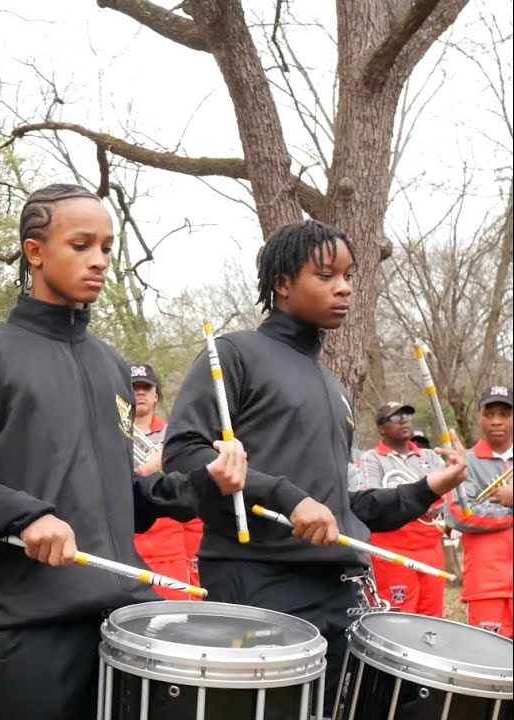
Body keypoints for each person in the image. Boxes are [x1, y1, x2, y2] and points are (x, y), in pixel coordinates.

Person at [0, 183, 247, 719]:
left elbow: (118, 494)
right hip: (30, 629)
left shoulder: (111, 365)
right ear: (35, 251)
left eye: (107, 247)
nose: (99, 260)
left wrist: (202, 485)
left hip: (124, 626)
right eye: (81, 244)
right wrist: (25, 516)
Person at [163, 219, 470, 714]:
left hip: (337, 591)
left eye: (348, 276)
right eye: (326, 276)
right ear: (283, 283)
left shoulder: (333, 386)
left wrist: (429, 487)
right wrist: (286, 497)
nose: (344, 288)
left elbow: (341, 508)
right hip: (257, 583)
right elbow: (183, 453)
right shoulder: (235, 355)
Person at [354, 402, 446, 616]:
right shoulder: (371, 458)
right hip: (391, 550)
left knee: (432, 617)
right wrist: (423, 497)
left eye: (406, 415)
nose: (403, 420)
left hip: (430, 548)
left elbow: (447, 495)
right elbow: (375, 501)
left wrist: (406, 501)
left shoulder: (430, 456)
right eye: (395, 417)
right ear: (381, 428)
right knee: (398, 616)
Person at [129, 362, 203, 599]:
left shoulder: (174, 437)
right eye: (134, 387)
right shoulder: (111, 436)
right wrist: (147, 471)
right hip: (130, 542)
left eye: (146, 387)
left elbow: (189, 494)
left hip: (170, 549)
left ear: (156, 396)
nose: (140, 393)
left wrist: (192, 557)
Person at [446, 384, 513, 637]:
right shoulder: (466, 461)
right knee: (490, 657)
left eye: (504, 414)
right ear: (479, 417)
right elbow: (459, 513)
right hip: (487, 585)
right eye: (489, 414)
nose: (496, 421)